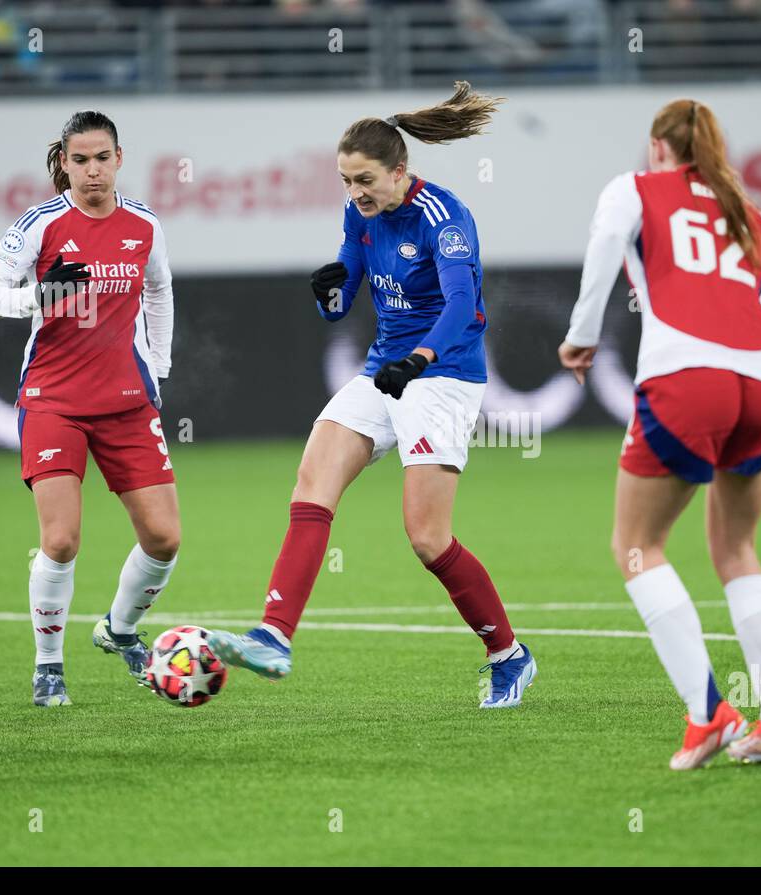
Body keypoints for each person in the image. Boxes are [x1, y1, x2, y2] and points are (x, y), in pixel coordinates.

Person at [207, 82, 537, 709]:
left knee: (427, 539)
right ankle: (273, 636)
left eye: (365, 180)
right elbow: (343, 298)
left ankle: (509, 656)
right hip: (384, 370)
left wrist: (418, 359)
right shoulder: (359, 216)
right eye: (345, 181)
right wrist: (329, 291)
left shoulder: (445, 216)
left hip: (442, 377)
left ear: (399, 172)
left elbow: (464, 306)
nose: (355, 193)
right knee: (311, 486)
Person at [558, 99, 761, 769]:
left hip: (686, 377)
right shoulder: (753, 218)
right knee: (738, 549)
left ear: (659, 146)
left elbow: (603, 244)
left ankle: (707, 710)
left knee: (635, 545)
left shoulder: (635, 189)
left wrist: (582, 336)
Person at [0, 110, 179, 706]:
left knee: (164, 539)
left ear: (119, 159)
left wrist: (158, 370)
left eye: (101, 158)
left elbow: (160, 291)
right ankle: (49, 666)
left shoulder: (144, 226)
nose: (91, 171)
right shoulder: (40, 224)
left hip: (128, 403)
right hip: (54, 402)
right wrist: (41, 294)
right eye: (79, 160)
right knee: (60, 541)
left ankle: (118, 629)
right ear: (63, 162)